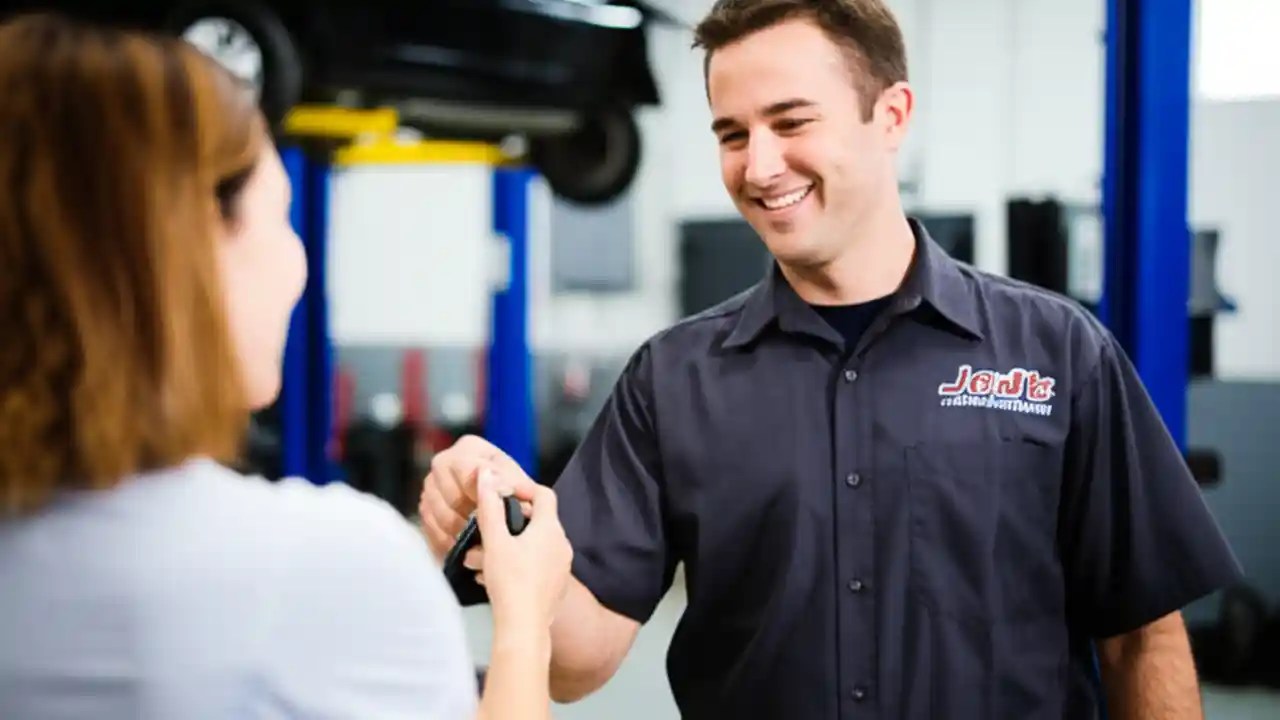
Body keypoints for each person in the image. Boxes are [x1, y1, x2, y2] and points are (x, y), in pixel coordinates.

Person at [419, 0, 1245, 718]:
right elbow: (575, 664)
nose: (760, 165)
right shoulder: (673, 381)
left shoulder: (1057, 353)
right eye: (733, 134)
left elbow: (1141, 638)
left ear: (890, 116)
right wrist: (499, 544)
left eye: (791, 121)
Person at [0, 13, 571, 720]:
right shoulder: (327, 561)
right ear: (187, 249)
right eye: (280, 218)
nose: (296, 267)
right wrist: (524, 622)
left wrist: (407, 575)